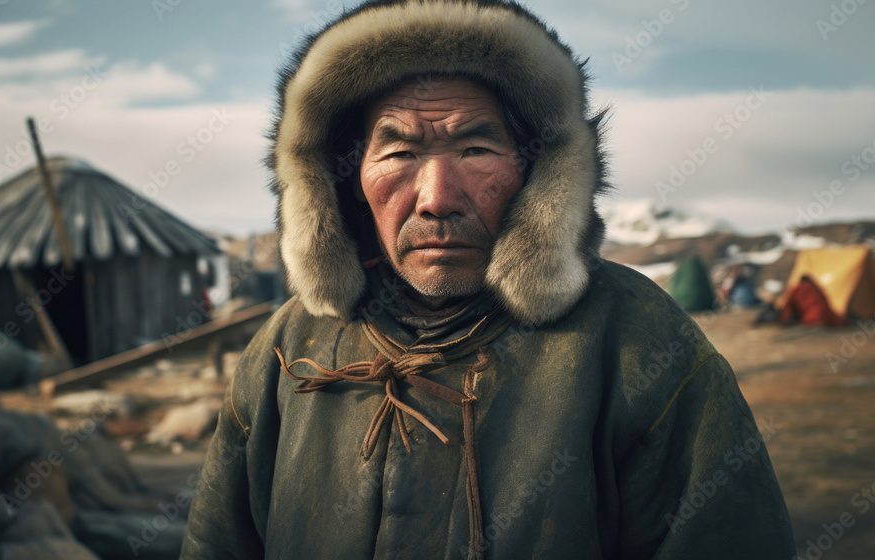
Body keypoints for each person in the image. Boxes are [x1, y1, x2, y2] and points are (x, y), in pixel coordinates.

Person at [181, 0, 796, 558]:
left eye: (476, 150)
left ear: (539, 175)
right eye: (397, 153)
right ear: (343, 180)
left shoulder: (637, 342)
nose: (437, 198)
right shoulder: (291, 351)